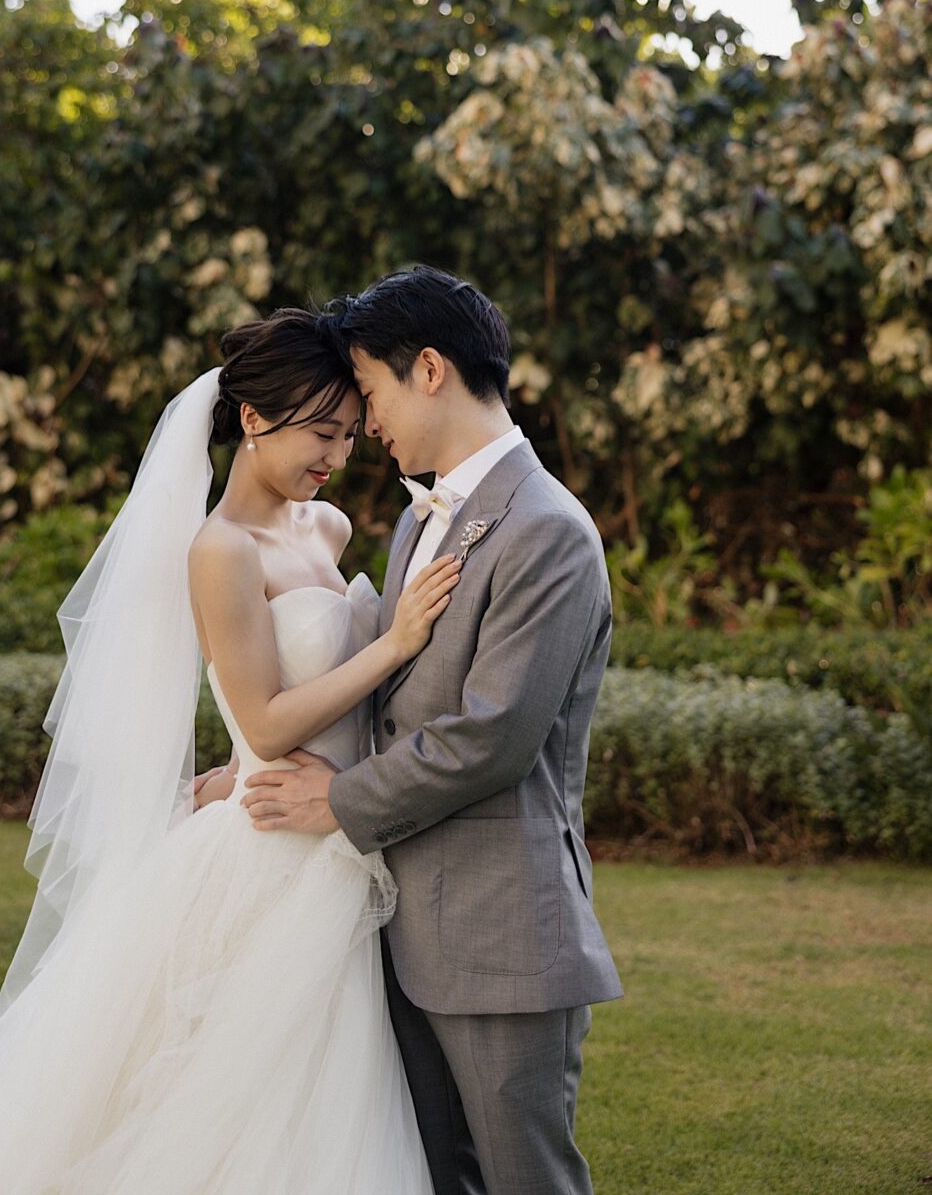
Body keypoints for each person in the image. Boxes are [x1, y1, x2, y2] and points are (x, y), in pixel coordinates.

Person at [0, 307, 457, 1194]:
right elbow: (262, 721)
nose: (336, 453)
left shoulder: (324, 528)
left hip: (329, 826)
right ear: (254, 421)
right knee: (225, 1092)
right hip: (268, 851)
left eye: (346, 430)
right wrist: (394, 642)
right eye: (319, 432)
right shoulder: (219, 551)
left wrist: (241, 771)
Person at [241, 265, 624, 1195]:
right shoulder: (426, 519)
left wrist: (332, 798)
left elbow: (489, 735)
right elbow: (383, 697)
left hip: (501, 938)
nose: (366, 423)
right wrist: (253, 768)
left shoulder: (549, 531)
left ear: (428, 369)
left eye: (368, 393)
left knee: (522, 1178)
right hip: (403, 923)